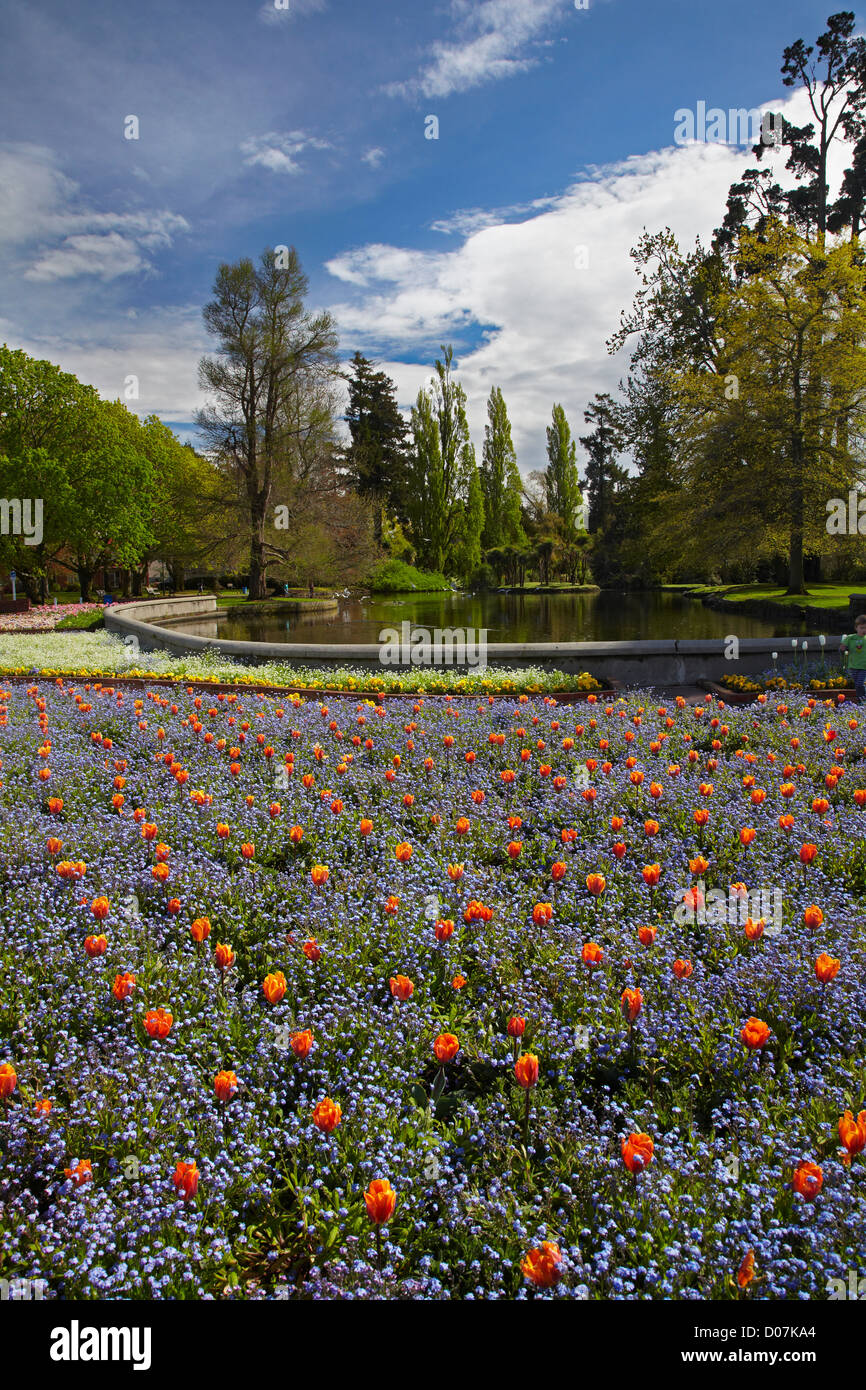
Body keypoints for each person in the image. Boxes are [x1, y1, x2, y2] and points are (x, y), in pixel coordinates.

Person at [840, 614, 866, 703]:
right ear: (856, 628)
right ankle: (861, 701)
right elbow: (843, 647)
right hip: (853, 666)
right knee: (857, 685)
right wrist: (842, 648)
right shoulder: (850, 638)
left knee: (860, 683)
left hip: (864, 666)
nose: (864, 630)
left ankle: (863, 700)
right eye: (862, 628)